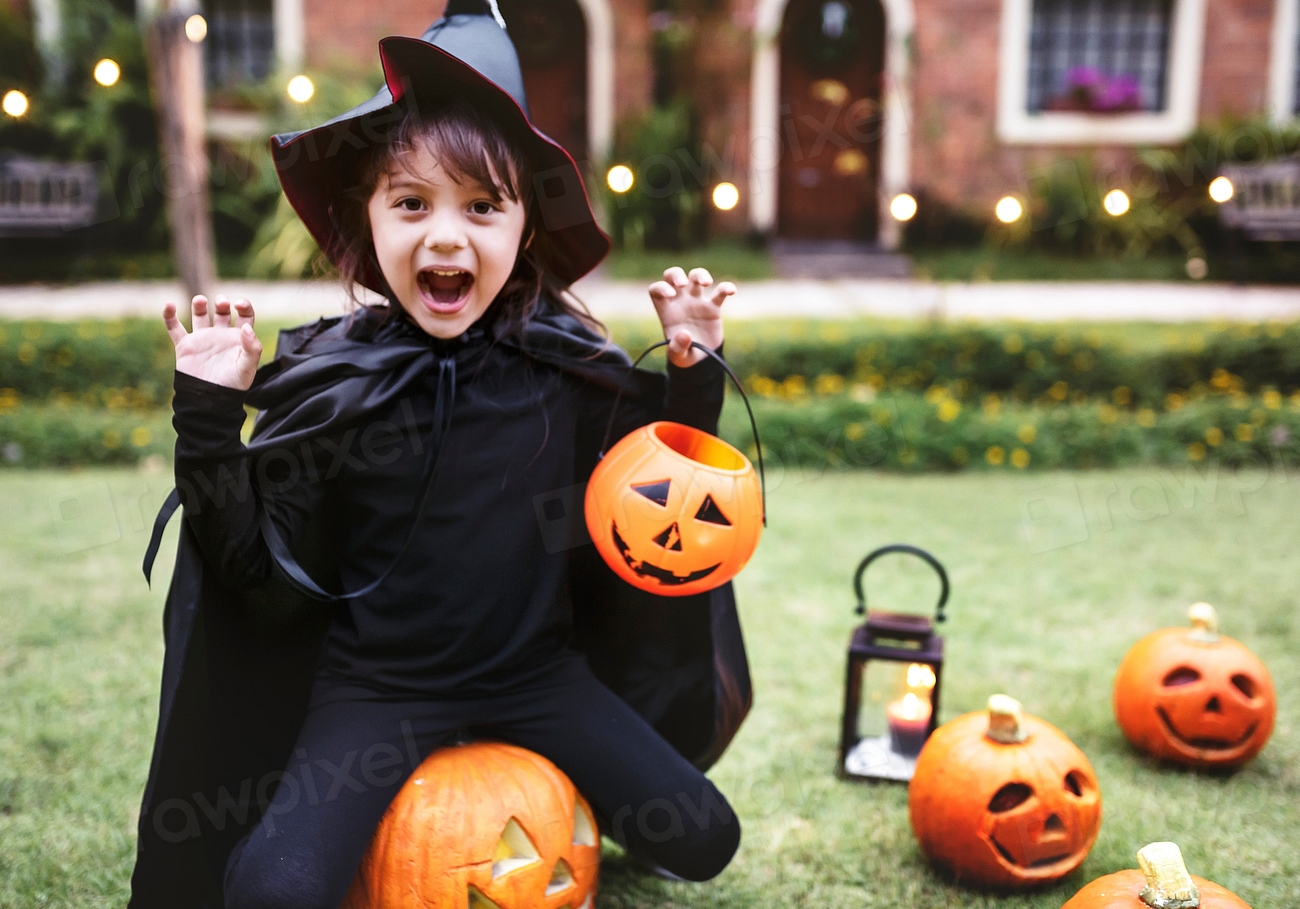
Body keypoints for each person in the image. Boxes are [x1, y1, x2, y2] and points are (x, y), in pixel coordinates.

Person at [128, 3, 750, 907]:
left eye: (482, 206)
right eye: (411, 202)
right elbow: (247, 568)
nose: (447, 236)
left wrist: (693, 375)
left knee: (701, 837)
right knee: (270, 892)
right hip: (375, 693)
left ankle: (556, 776)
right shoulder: (335, 383)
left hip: (535, 676)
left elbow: (657, 501)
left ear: (526, 226)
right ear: (369, 220)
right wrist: (210, 417)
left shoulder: (565, 369)